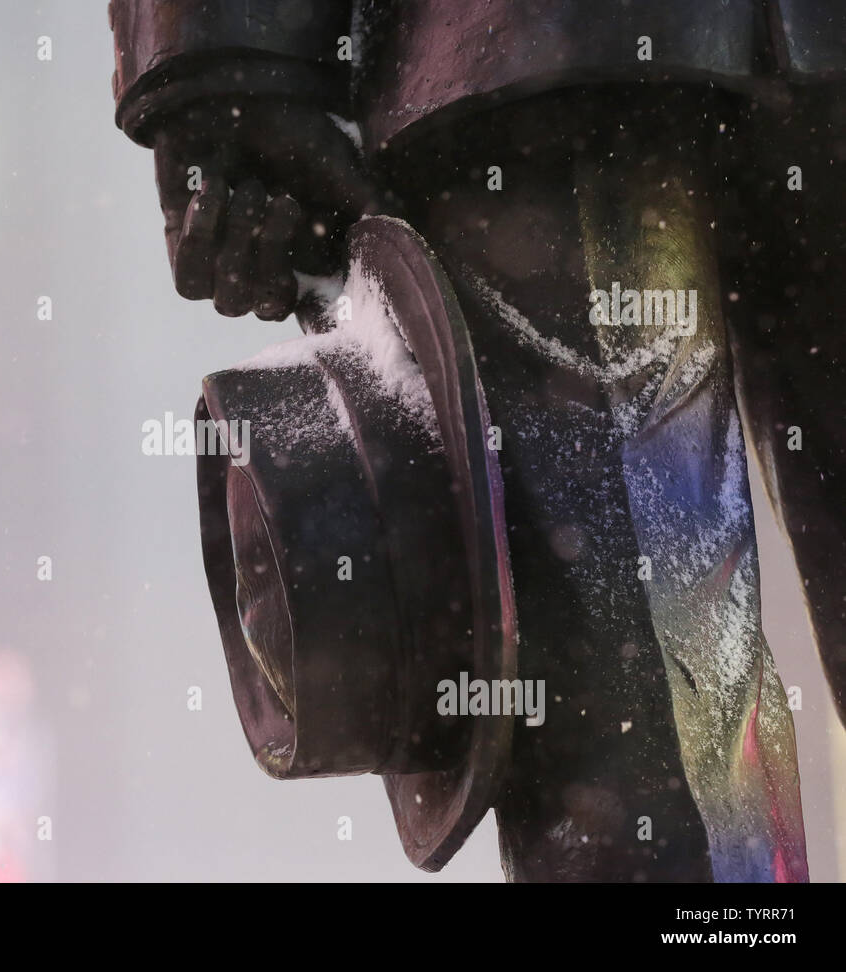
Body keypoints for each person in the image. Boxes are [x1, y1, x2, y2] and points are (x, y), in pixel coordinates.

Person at [109, 0, 846, 882]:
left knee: (645, 756)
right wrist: (218, 58)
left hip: (537, 64)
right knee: (648, 758)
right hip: (539, 64)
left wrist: (217, 58)